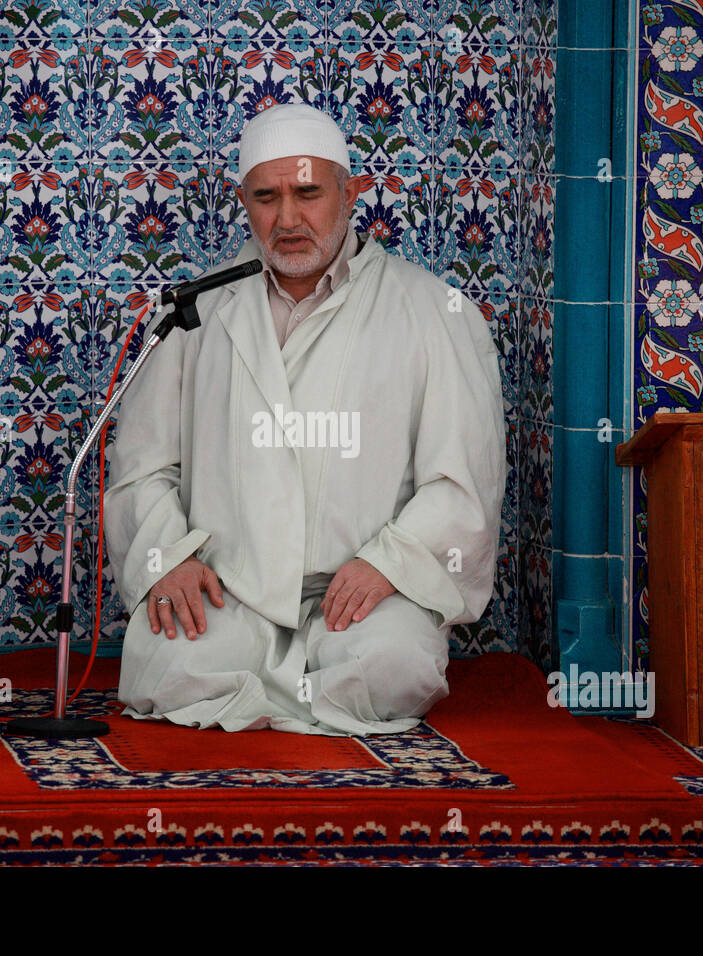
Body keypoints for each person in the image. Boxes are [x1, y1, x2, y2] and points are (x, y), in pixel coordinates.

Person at [102, 102, 505, 736]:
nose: (287, 218)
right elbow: (142, 466)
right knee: (166, 665)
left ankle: (277, 688)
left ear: (352, 192)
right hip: (231, 593)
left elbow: (464, 483)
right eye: (267, 197)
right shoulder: (196, 312)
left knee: (392, 668)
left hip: (366, 599)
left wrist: (390, 565)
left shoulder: (433, 313)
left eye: (307, 193)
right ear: (243, 201)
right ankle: (289, 688)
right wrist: (167, 560)